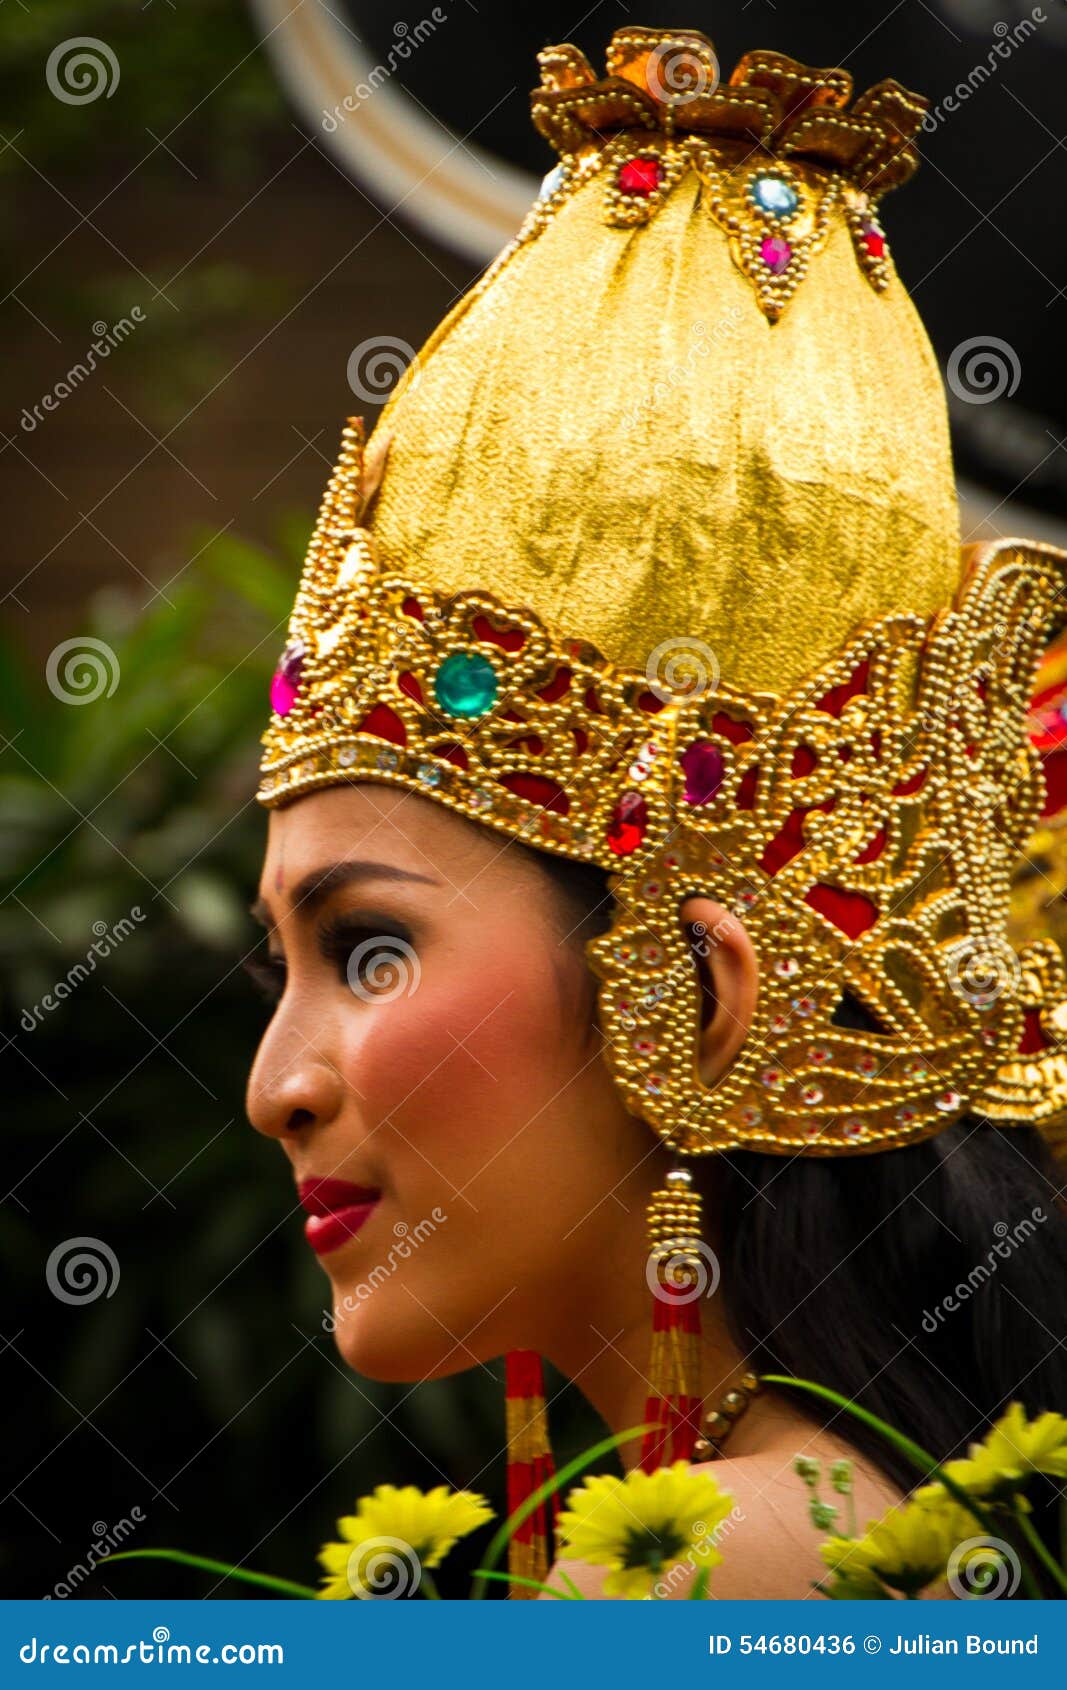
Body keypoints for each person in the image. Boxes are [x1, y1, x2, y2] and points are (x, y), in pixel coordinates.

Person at [246, 27, 1067, 1599]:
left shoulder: (703, 1576)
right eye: (281, 965)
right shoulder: (881, 1522)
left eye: (365, 949)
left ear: (695, 995)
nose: (275, 1085)